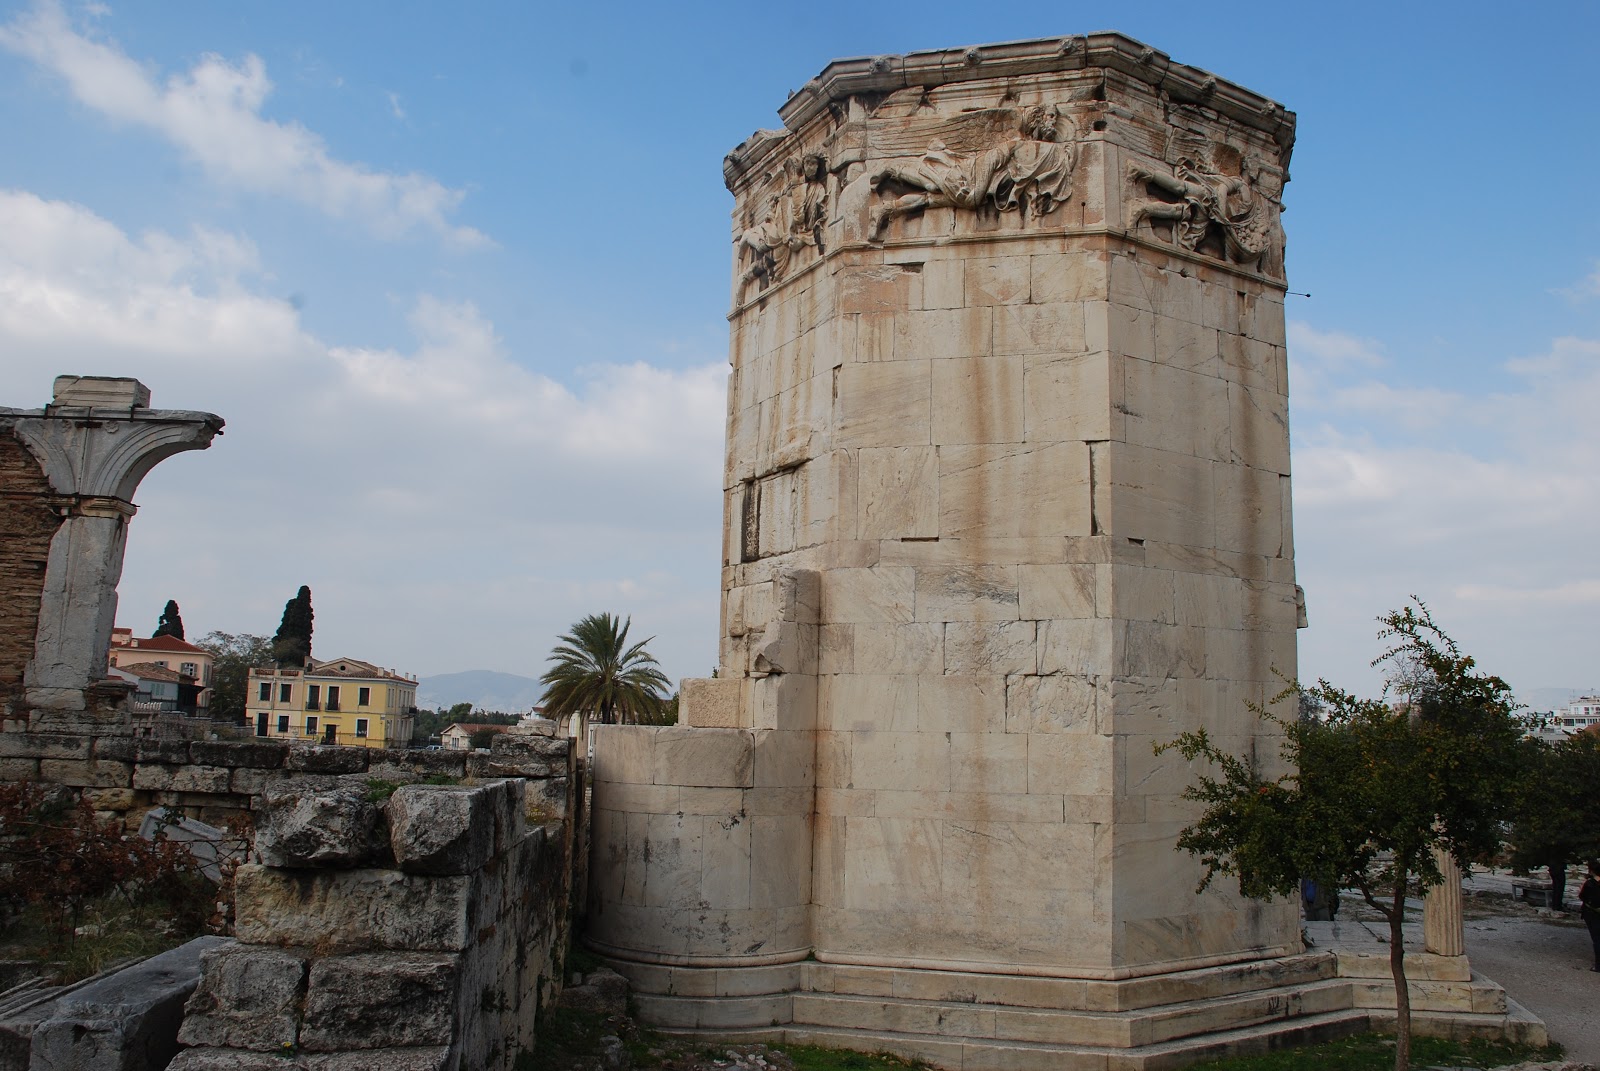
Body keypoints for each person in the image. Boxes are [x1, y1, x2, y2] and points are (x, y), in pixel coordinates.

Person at [1580, 860, 1600, 972]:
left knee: (1597, 939)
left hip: (1591, 912)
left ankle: (1598, 965)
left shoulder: (1589, 883)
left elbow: (1582, 896)